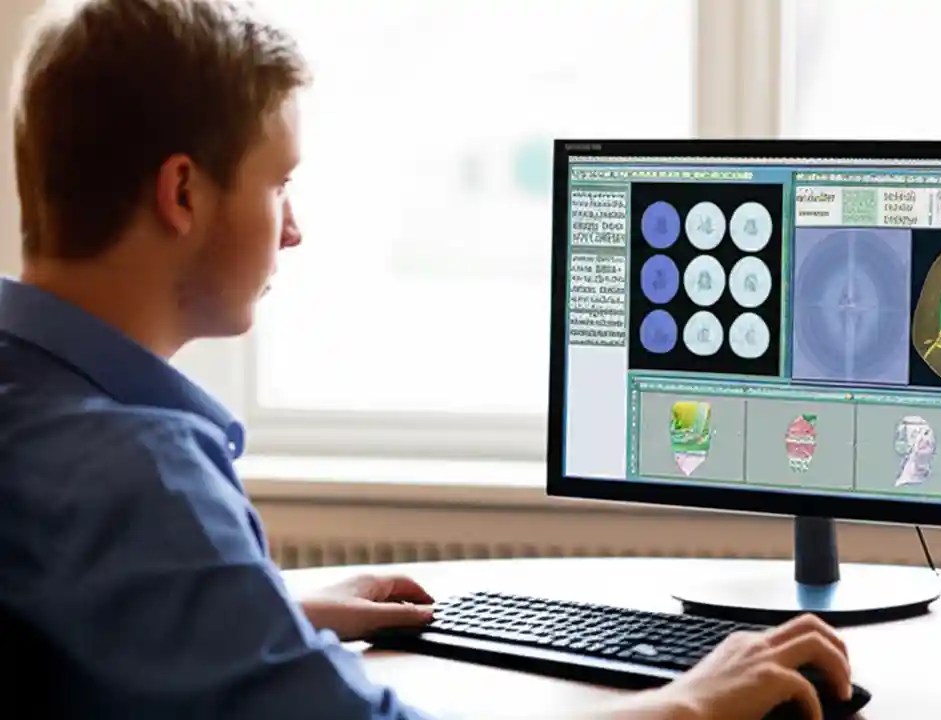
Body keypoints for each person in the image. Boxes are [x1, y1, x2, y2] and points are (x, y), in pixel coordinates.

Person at [0, 1, 854, 718]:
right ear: (182, 192)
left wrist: (268, 617)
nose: (292, 229)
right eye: (279, 183)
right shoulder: (141, 474)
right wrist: (692, 700)